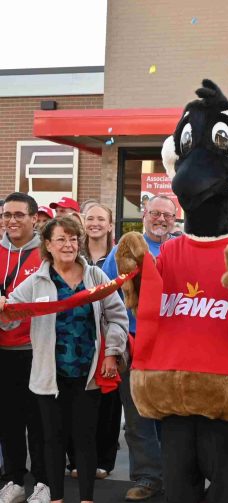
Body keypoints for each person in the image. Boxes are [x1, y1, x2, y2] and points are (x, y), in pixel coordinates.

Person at [0, 216, 129, 503]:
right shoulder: (36, 281)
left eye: (73, 239)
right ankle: (56, 498)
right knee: (53, 440)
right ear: (48, 244)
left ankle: (86, 499)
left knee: (85, 439)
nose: (68, 245)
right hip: (49, 377)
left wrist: (111, 353)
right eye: (61, 239)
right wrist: (3, 307)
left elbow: (118, 318)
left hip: (88, 375)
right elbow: (10, 318)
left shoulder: (96, 276)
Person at [100, 195, 176, 501]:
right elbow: (107, 296)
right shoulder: (124, 250)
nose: (161, 219)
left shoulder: (181, 249)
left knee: (173, 416)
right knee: (137, 417)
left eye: (167, 215)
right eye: (155, 213)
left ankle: (176, 475)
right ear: (144, 214)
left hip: (172, 346)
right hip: (133, 343)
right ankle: (148, 477)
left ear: (175, 219)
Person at [0, 192, 47, 503]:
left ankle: (43, 483)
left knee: (40, 423)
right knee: (9, 422)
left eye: (19, 214)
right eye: (7, 215)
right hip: (3, 352)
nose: (12, 220)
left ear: (34, 218)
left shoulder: (47, 253)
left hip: (36, 351)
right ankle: (15, 481)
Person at [70, 202, 122, 480]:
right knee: (77, 401)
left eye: (101, 219)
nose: (95, 224)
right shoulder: (72, 254)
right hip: (75, 338)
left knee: (108, 401)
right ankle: (76, 459)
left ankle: (104, 459)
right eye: (90, 219)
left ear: (110, 225)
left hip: (108, 336)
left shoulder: (119, 257)